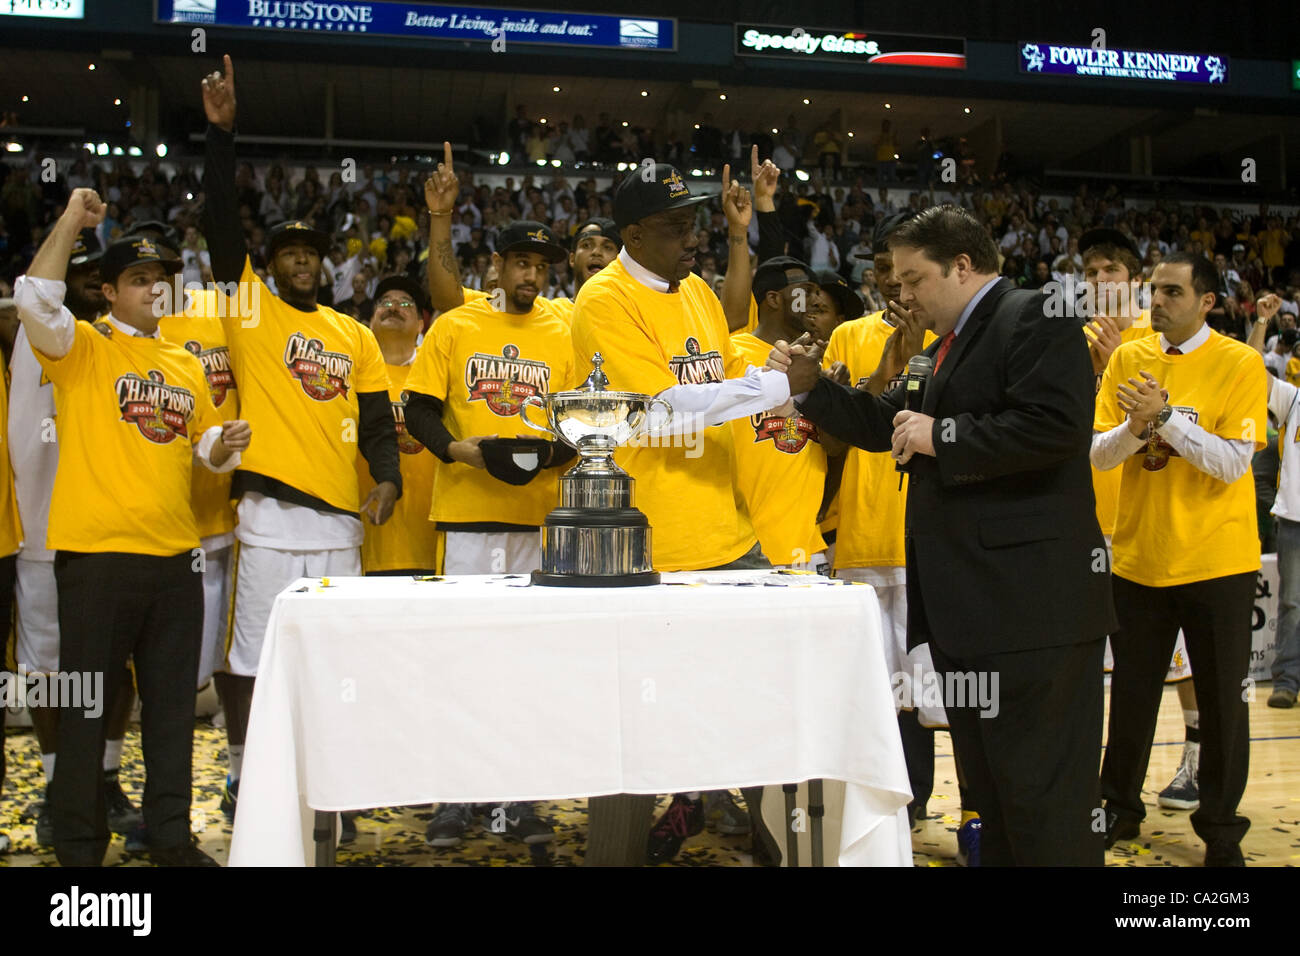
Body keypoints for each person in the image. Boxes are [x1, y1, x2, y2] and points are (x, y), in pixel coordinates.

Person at [771, 204, 1115, 865]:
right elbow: (886, 423)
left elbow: (1057, 429)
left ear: (962, 265)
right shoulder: (942, 347)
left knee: (1046, 800)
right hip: (973, 611)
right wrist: (812, 390)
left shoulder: (1037, 314)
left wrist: (944, 436)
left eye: (911, 279)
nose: (899, 295)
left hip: (1032, 611)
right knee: (998, 792)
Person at [14, 194, 250, 866]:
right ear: (109, 290)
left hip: (177, 560)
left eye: (162, 280)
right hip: (95, 558)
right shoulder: (83, 345)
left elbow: (199, 449)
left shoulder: (183, 363)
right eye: (139, 280)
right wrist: (70, 220)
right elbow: (33, 297)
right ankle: (81, 847)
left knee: (172, 713)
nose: (154, 289)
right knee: (87, 709)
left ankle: (171, 838)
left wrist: (224, 443)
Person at [570, 162, 791, 866]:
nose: (691, 237)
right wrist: (773, 388)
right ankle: (616, 856)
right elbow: (657, 412)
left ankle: (777, 851)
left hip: (729, 536)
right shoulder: (601, 301)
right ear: (631, 234)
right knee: (631, 724)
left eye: (693, 222)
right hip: (646, 547)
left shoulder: (697, 291)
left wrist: (767, 381)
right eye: (675, 227)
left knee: (759, 714)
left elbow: (722, 383)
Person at [200, 56, 402, 822]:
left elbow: (380, 423)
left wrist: (388, 480)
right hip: (270, 518)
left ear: (326, 265)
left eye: (312, 254)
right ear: (272, 264)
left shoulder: (352, 334)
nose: (303, 263)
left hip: (343, 523)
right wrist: (221, 139)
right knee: (253, 657)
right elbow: (223, 229)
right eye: (289, 253)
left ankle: (329, 772)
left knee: (332, 657)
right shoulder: (250, 311)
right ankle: (247, 770)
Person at [403, 221, 576, 848]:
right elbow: (417, 407)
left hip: (538, 520)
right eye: (522, 264)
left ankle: (521, 795)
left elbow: (584, 417)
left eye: (542, 267)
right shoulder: (455, 326)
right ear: (496, 266)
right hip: (468, 518)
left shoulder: (566, 330)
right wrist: (457, 451)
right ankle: (456, 794)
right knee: (461, 658)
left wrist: (547, 457)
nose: (532, 276)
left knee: (527, 663)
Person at [1093, 252, 1266, 867]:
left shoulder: (1240, 363)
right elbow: (1099, 455)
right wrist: (1137, 429)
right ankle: (1117, 807)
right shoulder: (1126, 358)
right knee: (1133, 695)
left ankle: (1220, 827)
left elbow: (1232, 462)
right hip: (1139, 556)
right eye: (1153, 291)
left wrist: (1165, 417)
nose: (1157, 302)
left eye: (1171, 291)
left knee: (1222, 702)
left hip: (1218, 560)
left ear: (1207, 301)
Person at [7, 227, 142, 847]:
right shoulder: (26, 333)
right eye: (77, 270)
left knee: (118, 668)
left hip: (113, 534)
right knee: (47, 674)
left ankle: (107, 778)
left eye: (98, 274)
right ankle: (62, 785)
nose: (86, 280)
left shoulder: (128, 345)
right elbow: (34, 293)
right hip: (42, 532)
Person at [1079, 228, 1203, 814]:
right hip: (1086, 517)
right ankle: (1100, 779)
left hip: (1150, 516)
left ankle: (1196, 759)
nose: (1097, 280)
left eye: (1108, 271)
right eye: (1089, 272)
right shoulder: (1069, 337)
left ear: (1134, 280)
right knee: (1104, 663)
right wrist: (1095, 374)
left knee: (1176, 661)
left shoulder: (1164, 339)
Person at [730, 257, 839, 571]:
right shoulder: (732, 353)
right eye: (805, 291)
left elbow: (835, 450)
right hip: (747, 548)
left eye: (817, 292)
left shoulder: (821, 362)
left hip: (808, 545)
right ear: (774, 299)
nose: (814, 300)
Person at [1248, 292, 1300, 708]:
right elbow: (1251, 371)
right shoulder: (1293, 399)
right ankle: (1286, 681)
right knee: (1292, 603)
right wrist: (1263, 321)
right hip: (1295, 520)